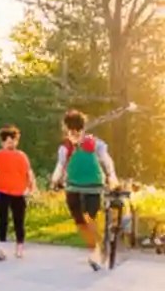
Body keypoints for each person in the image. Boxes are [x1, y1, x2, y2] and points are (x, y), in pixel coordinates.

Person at [50, 109, 119, 271]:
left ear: (82, 129)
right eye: (70, 130)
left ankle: (96, 251)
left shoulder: (94, 144)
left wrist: (112, 177)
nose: (74, 133)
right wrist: (55, 180)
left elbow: (106, 160)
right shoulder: (65, 148)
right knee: (80, 221)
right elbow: (60, 165)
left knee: (90, 218)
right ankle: (96, 246)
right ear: (66, 130)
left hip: (93, 187)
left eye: (77, 130)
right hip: (72, 187)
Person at [0, 125, 36, 261]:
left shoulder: (22, 156)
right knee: (3, 221)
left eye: (13, 139)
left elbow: (28, 173)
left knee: (19, 221)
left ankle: (19, 247)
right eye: (7, 140)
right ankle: (2, 249)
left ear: (17, 141)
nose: (11, 142)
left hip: (19, 193)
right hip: (2, 192)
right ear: (2, 142)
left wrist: (31, 188)